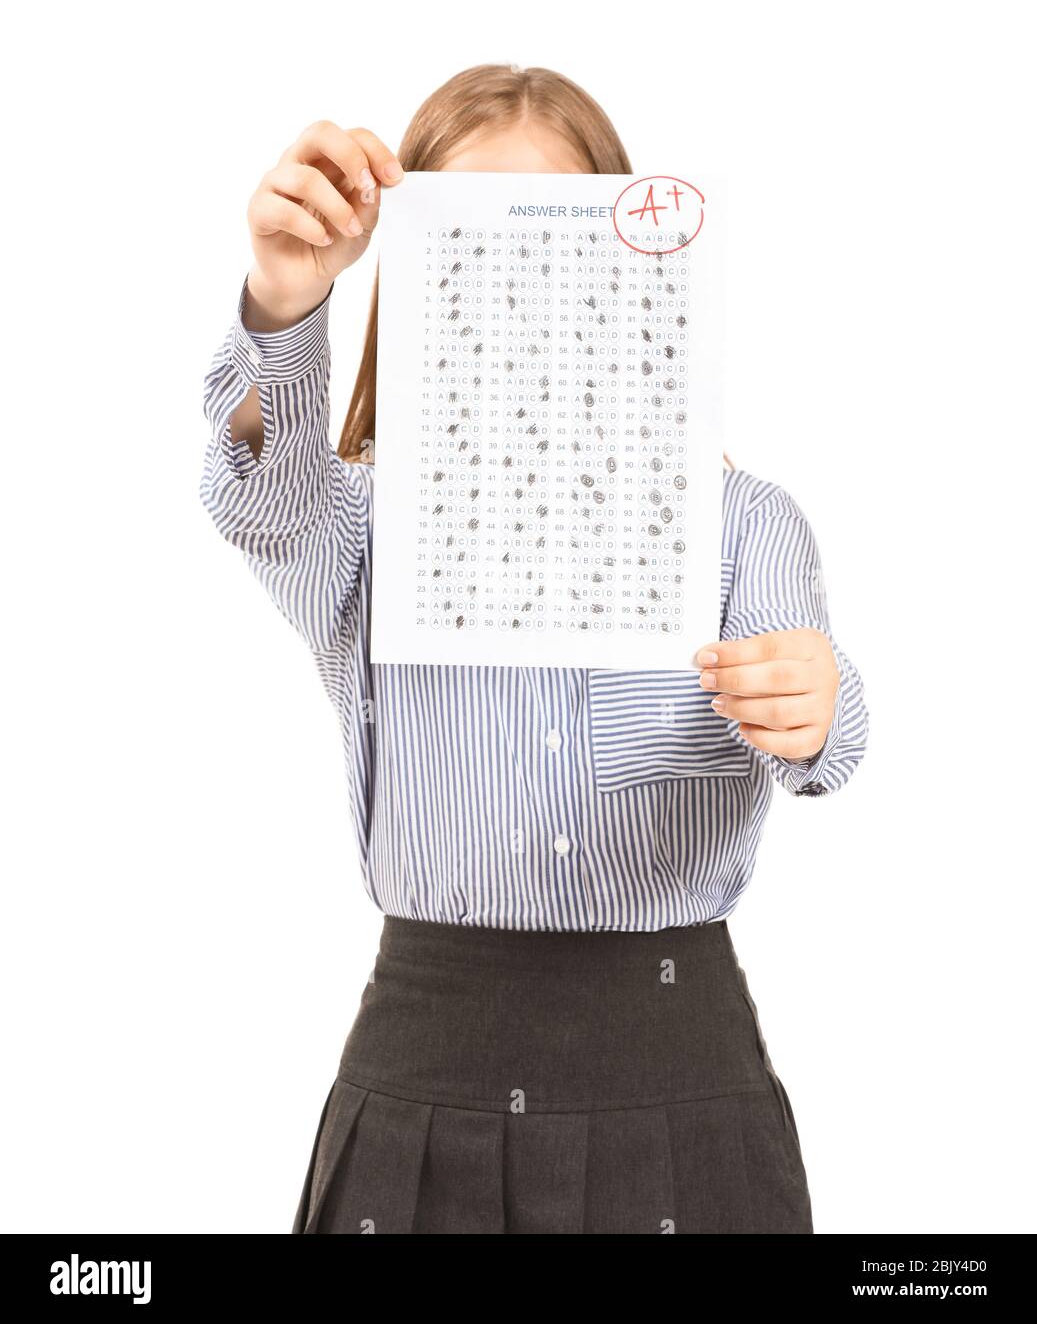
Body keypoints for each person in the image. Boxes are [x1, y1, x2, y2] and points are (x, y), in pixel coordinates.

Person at [198, 63, 869, 1234]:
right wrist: (287, 298)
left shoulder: (743, 524)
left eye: (552, 245)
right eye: (464, 246)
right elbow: (265, 495)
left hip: (678, 1069)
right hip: (425, 1071)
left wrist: (818, 706)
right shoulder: (359, 519)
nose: (514, 289)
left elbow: (817, 729)